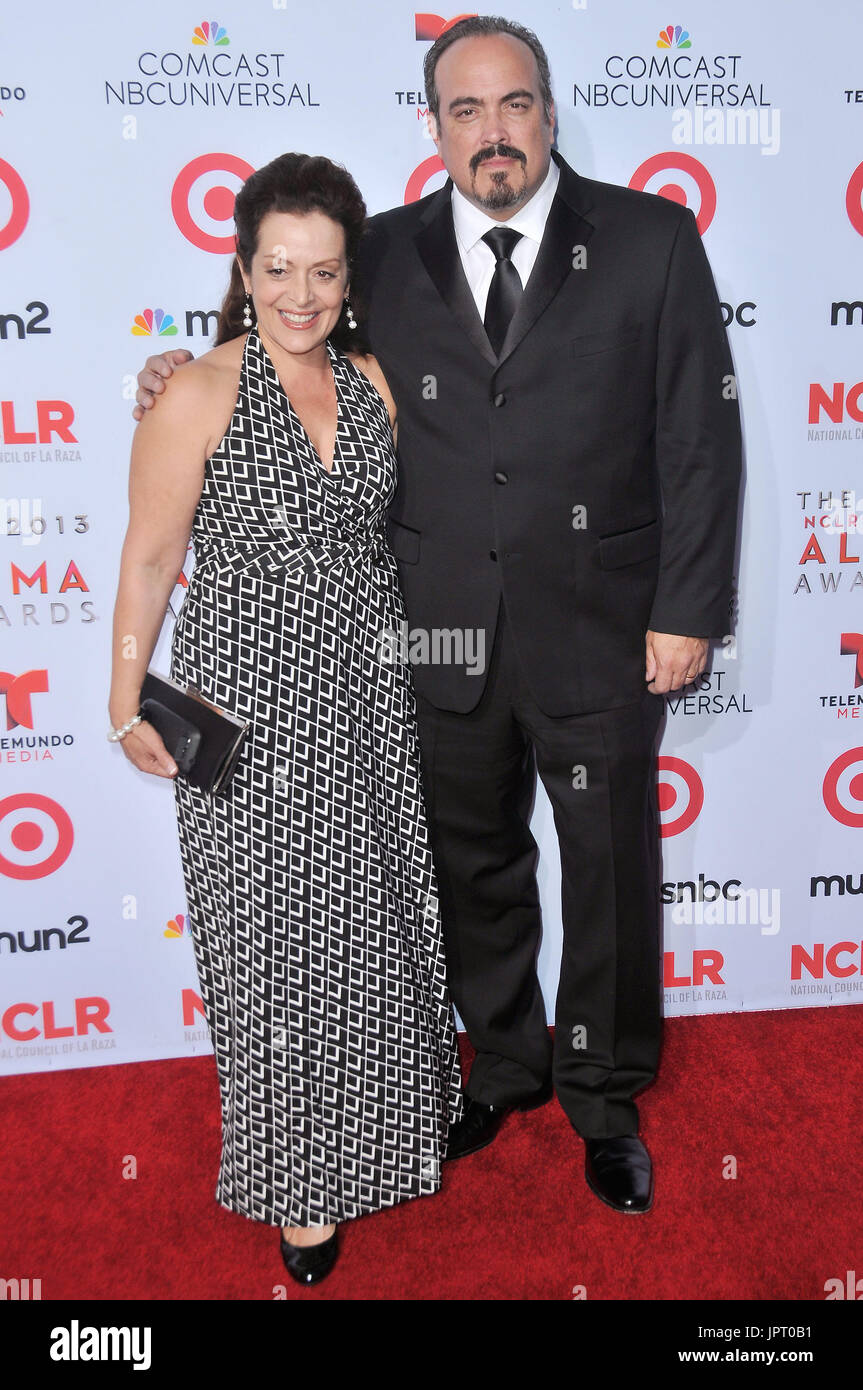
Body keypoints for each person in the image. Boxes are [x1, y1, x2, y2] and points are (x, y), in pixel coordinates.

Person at [135, 17, 742, 1216]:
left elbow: (695, 437)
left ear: (549, 111)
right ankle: (505, 1060)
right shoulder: (379, 251)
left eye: (511, 104)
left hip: (601, 621)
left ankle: (603, 1091)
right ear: (436, 127)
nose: (491, 132)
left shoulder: (648, 238)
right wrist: (175, 368)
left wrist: (685, 608)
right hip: (428, 631)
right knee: (469, 861)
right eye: (464, 111)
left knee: (607, 866)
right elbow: (288, 345)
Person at [111, 152, 462, 1287]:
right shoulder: (197, 391)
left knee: (372, 929)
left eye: (320, 272)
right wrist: (124, 701)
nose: (299, 295)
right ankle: (298, 1189)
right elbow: (153, 557)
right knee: (269, 951)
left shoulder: (373, 380)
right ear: (243, 266)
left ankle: (389, 1137)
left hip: (367, 697)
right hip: (245, 711)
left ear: (349, 274)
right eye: (277, 270)